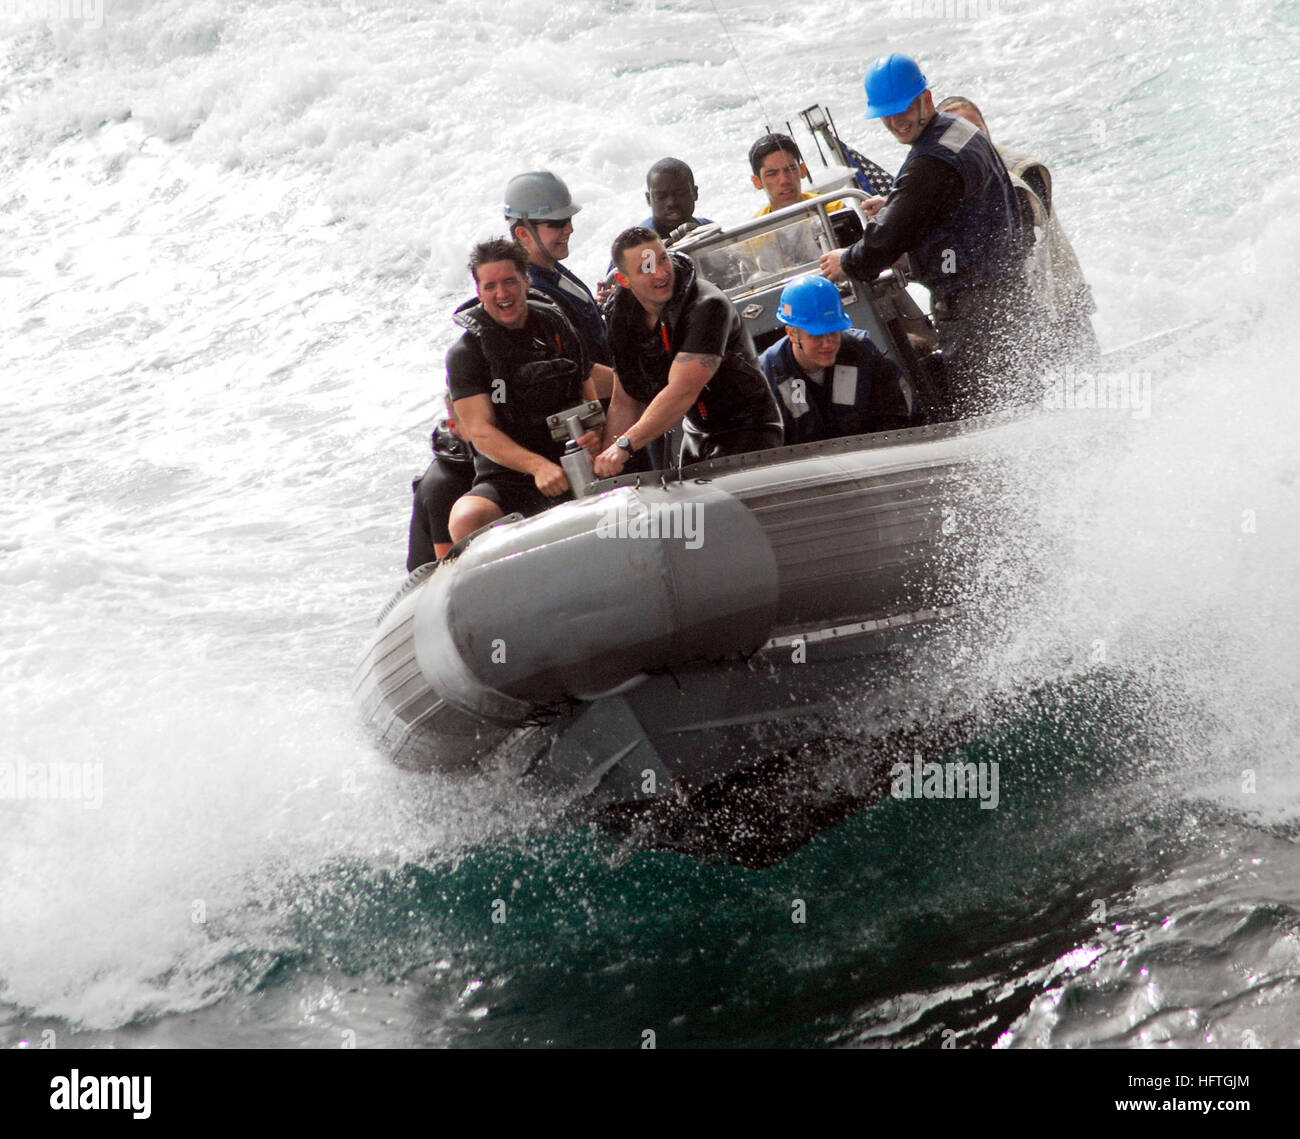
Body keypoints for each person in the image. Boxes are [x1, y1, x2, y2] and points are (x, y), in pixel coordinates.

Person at [820, 54, 1043, 419]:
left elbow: (881, 247)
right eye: (887, 115)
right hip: (1008, 291)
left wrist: (846, 260)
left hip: (974, 308)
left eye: (903, 109)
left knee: (986, 406)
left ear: (925, 97)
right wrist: (897, 203)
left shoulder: (929, 163)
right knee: (1018, 387)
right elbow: (944, 197)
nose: (896, 122)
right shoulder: (958, 128)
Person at [446, 238, 603, 542]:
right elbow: (479, 431)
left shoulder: (557, 326)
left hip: (575, 457)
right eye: (490, 286)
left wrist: (596, 434)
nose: (501, 294)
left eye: (509, 282)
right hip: (510, 474)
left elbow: (590, 397)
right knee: (465, 519)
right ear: (479, 292)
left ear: (526, 281)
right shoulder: (465, 354)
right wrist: (537, 467)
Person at [593, 226, 783, 476]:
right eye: (647, 268)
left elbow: (683, 391)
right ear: (623, 280)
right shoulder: (621, 316)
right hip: (695, 432)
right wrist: (605, 463)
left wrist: (625, 445)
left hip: (749, 427)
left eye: (663, 259)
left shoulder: (707, 306)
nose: (661, 274)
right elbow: (624, 400)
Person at [935, 95, 1099, 363]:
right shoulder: (957, 175)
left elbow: (1022, 229)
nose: (971, 137)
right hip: (1029, 305)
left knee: (1085, 377)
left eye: (977, 128)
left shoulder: (1019, 169)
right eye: (960, 133)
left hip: (1061, 296)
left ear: (987, 129)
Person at [759, 275, 914, 444]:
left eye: (833, 332)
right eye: (816, 335)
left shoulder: (862, 353)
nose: (827, 344)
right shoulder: (768, 375)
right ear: (791, 333)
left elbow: (896, 418)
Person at [504, 170, 615, 380]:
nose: (569, 229)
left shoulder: (551, 268)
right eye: (556, 223)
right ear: (523, 233)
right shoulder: (534, 294)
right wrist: (631, 389)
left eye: (569, 219)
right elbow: (576, 370)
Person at [406, 394, 475, 569]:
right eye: (472, 419)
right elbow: (448, 568)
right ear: (453, 426)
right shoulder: (444, 483)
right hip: (431, 581)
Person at [748, 133, 843, 216]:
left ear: (803, 170)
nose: (784, 180)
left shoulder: (835, 210)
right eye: (772, 174)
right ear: (757, 182)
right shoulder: (753, 232)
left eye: (790, 169)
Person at [643, 157, 711, 239]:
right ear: (648, 199)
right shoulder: (638, 244)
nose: (671, 203)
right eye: (661, 196)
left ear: (695, 193)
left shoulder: (709, 229)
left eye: (680, 194)